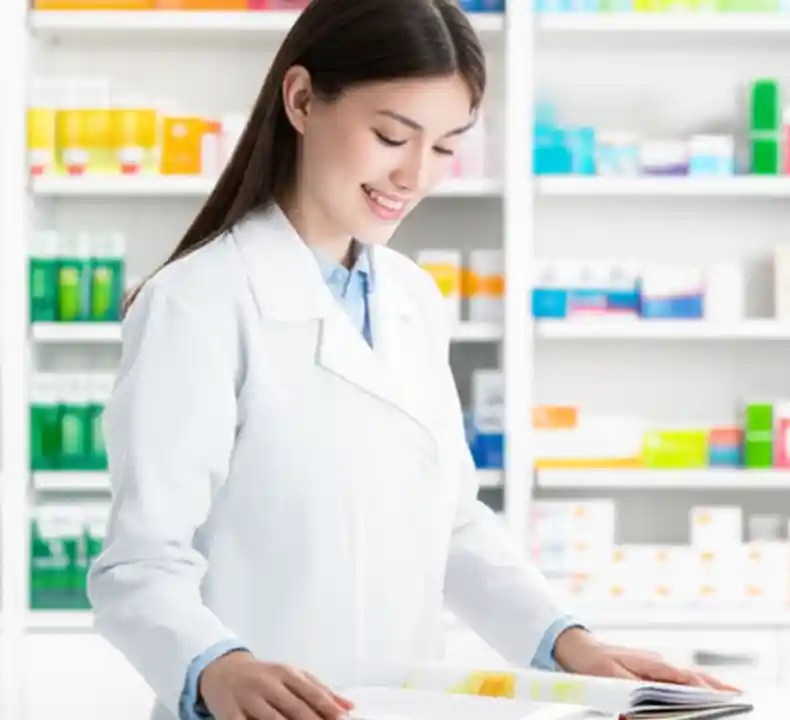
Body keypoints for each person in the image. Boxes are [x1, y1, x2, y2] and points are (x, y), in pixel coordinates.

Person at [87, 2, 733, 719]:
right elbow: (140, 565)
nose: (415, 175)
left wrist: (567, 643)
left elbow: (451, 524)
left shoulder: (413, 300)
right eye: (392, 135)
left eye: (447, 147)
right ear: (301, 100)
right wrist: (217, 667)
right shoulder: (198, 303)